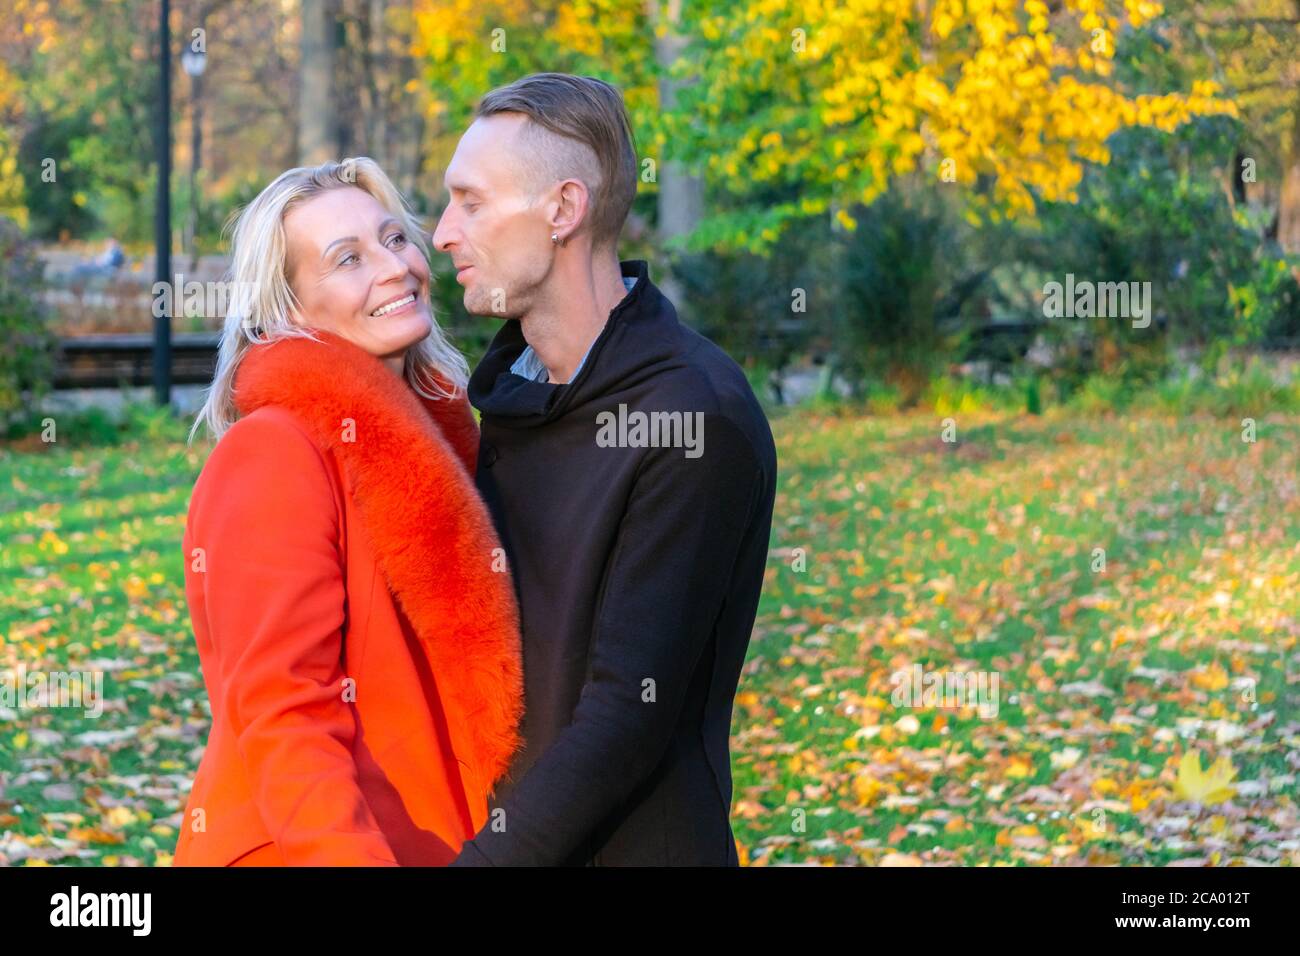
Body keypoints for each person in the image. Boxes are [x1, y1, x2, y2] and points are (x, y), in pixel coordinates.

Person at [432, 73, 778, 866]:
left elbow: (627, 714)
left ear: (563, 209)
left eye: (471, 202)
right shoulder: (513, 398)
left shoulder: (694, 416)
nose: (445, 231)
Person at [173, 157, 524, 866]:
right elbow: (282, 712)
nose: (395, 268)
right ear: (288, 309)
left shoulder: (442, 445)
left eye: (395, 239)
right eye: (347, 259)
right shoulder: (273, 451)